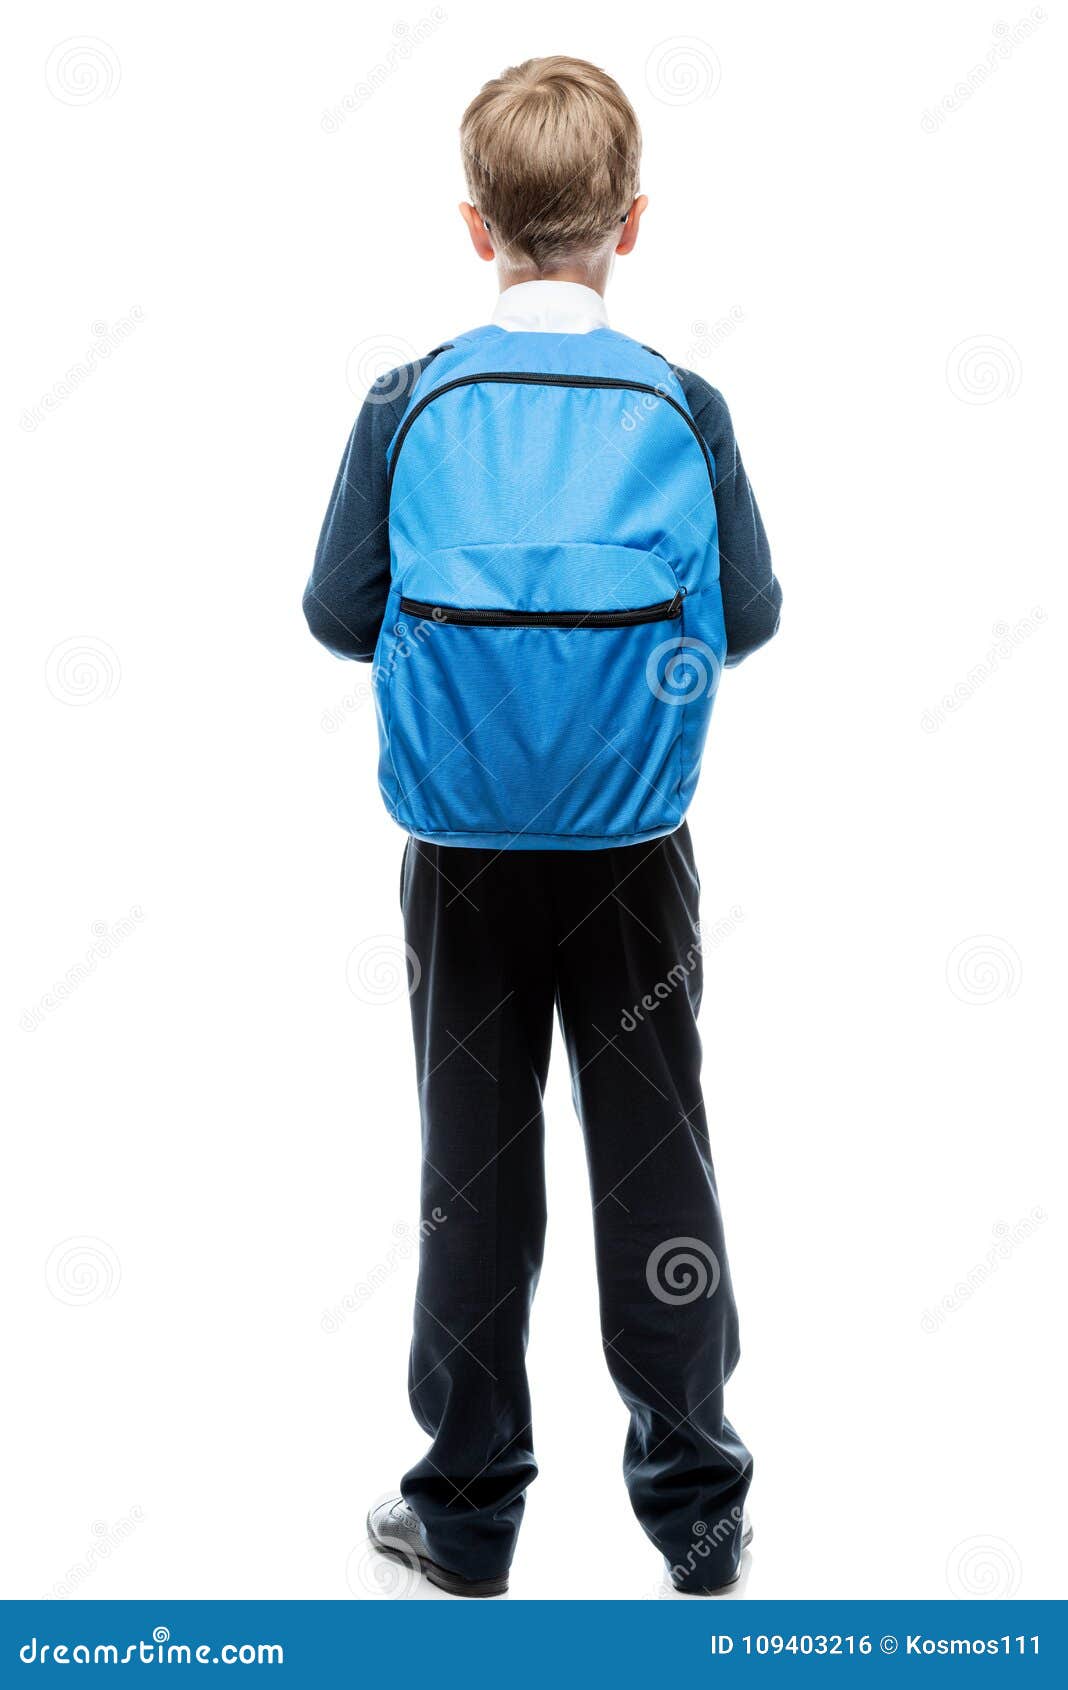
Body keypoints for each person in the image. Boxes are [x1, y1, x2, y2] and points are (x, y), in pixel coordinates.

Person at [303, 55, 781, 1597]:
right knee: (656, 1158)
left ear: (473, 226)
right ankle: (699, 1512)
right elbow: (751, 619)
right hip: (634, 850)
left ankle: (463, 1517)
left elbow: (335, 613)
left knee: (473, 1170)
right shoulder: (683, 403)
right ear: (629, 224)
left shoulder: (407, 399)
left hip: (461, 852)